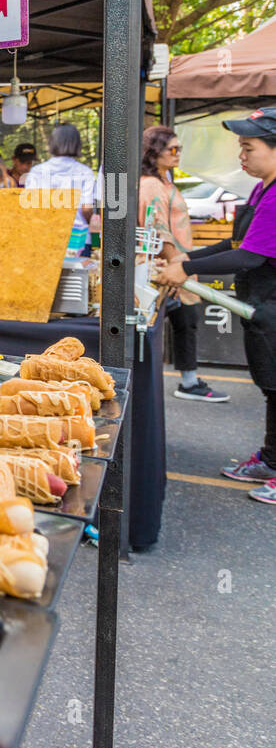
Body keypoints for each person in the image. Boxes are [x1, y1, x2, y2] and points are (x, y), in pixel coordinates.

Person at [158, 107, 276, 502]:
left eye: (249, 147)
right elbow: (237, 244)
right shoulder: (262, 189)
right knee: (271, 387)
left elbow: (248, 259)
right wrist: (186, 259)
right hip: (261, 304)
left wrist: (187, 267)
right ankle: (271, 460)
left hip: (271, 303)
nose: (242, 156)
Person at [140, 125, 227, 403]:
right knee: (170, 325)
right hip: (167, 268)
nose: (178, 155)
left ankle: (187, 381)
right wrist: (177, 265)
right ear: (154, 152)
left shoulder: (164, 181)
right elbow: (159, 229)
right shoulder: (152, 184)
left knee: (184, 322)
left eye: (180, 149)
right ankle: (182, 383)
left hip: (177, 264)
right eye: (172, 149)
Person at [25, 123, 97, 253]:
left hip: (44, 237)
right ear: (77, 144)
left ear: (52, 143)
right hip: (77, 238)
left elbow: (30, 209)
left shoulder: (36, 171)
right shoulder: (85, 172)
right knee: (77, 273)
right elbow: (87, 208)